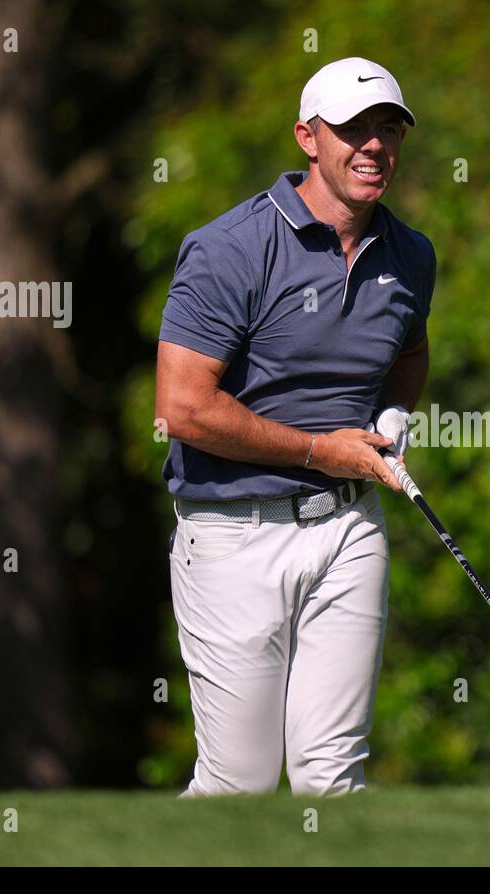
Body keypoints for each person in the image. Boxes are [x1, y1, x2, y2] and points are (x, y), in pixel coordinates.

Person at [153, 57, 434, 796]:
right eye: (353, 130)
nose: (374, 146)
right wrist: (320, 451)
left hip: (348, 530)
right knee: (240, 784)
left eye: (389, 129)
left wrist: (392, 419)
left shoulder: (411, 256)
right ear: (309, 138)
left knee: (330, 776)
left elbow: (410, 351)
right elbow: (182, 408)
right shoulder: (231, 249)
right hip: (232, 532)